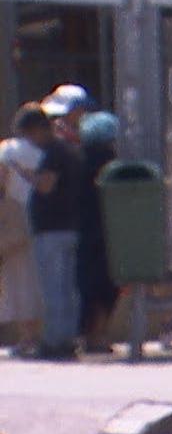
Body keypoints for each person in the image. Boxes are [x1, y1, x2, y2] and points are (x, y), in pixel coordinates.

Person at [18, 103, 87, 359]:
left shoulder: (55, 153)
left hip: (52, 230)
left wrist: (25, 174)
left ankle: (54, 341)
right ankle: (67, 338)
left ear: (37, 129)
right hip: (69, 227)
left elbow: (46, 185)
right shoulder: (66, 150)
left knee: (54, 288)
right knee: (68, 288)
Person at [76, 111, 122, 353]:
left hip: (85, 229)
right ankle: (99, 335)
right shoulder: (111, 162)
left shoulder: (80, 160)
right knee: (105, 287)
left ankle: (90, 335)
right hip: (108, 230)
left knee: (88, 287)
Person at [0, 106, 45, 352]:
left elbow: (1, 179)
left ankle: (27, 337)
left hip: (14, 219)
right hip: (40, 219)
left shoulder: (8, 149)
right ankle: (34, 334)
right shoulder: (44, 151)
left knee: (17, 279)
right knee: (35, 278)